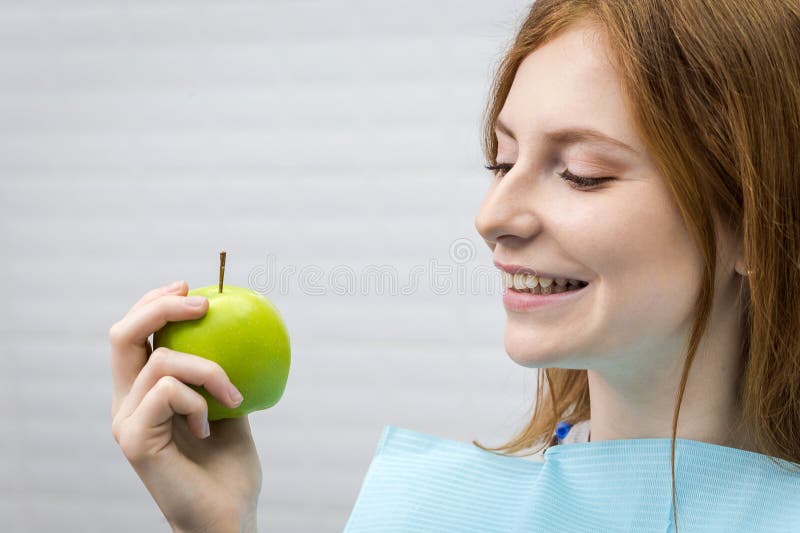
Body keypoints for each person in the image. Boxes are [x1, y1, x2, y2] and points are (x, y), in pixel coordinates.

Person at [109, 0, 800, 531]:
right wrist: (220, 523)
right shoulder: (425, 512)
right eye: (501, 161)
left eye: (581, 172)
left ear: (754, 224)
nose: (493, 215)